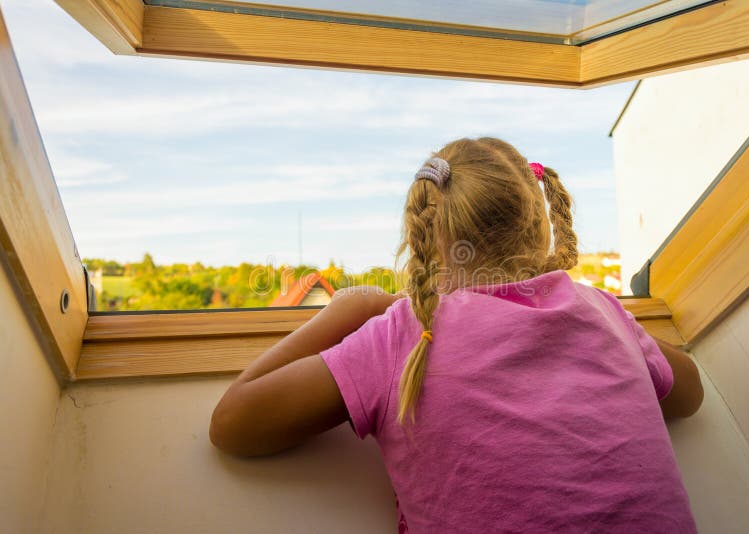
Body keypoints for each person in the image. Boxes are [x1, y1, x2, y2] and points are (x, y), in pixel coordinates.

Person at [209, 137, 704, 533]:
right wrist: (615, 325)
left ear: (425, 239)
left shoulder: (406, 334)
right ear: (541, 226)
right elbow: (689, 393)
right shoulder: (599, 308)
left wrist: (353, 307)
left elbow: (232, 424)